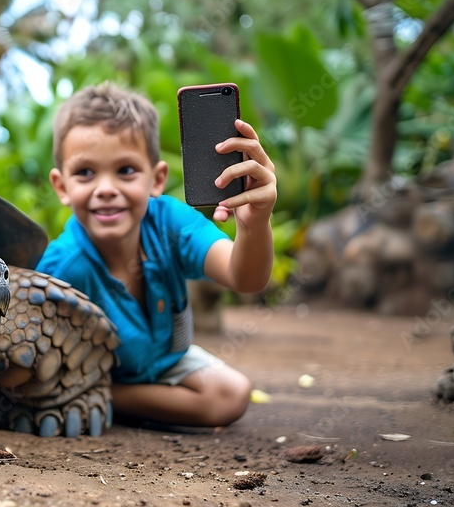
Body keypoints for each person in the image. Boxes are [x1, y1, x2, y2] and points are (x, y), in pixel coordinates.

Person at [35, 82, 277, 428]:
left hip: (164, 362)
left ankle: (100, 397)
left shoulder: (170, 223)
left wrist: (255, 225)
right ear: (62, 186)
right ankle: (92, 391)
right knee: (222, 400)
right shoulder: (61, 268)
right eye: (86, 172)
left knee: (233, 393)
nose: (106, 189)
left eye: (126, 171)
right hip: (87, 369)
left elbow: (245, 278)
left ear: (157, 179)